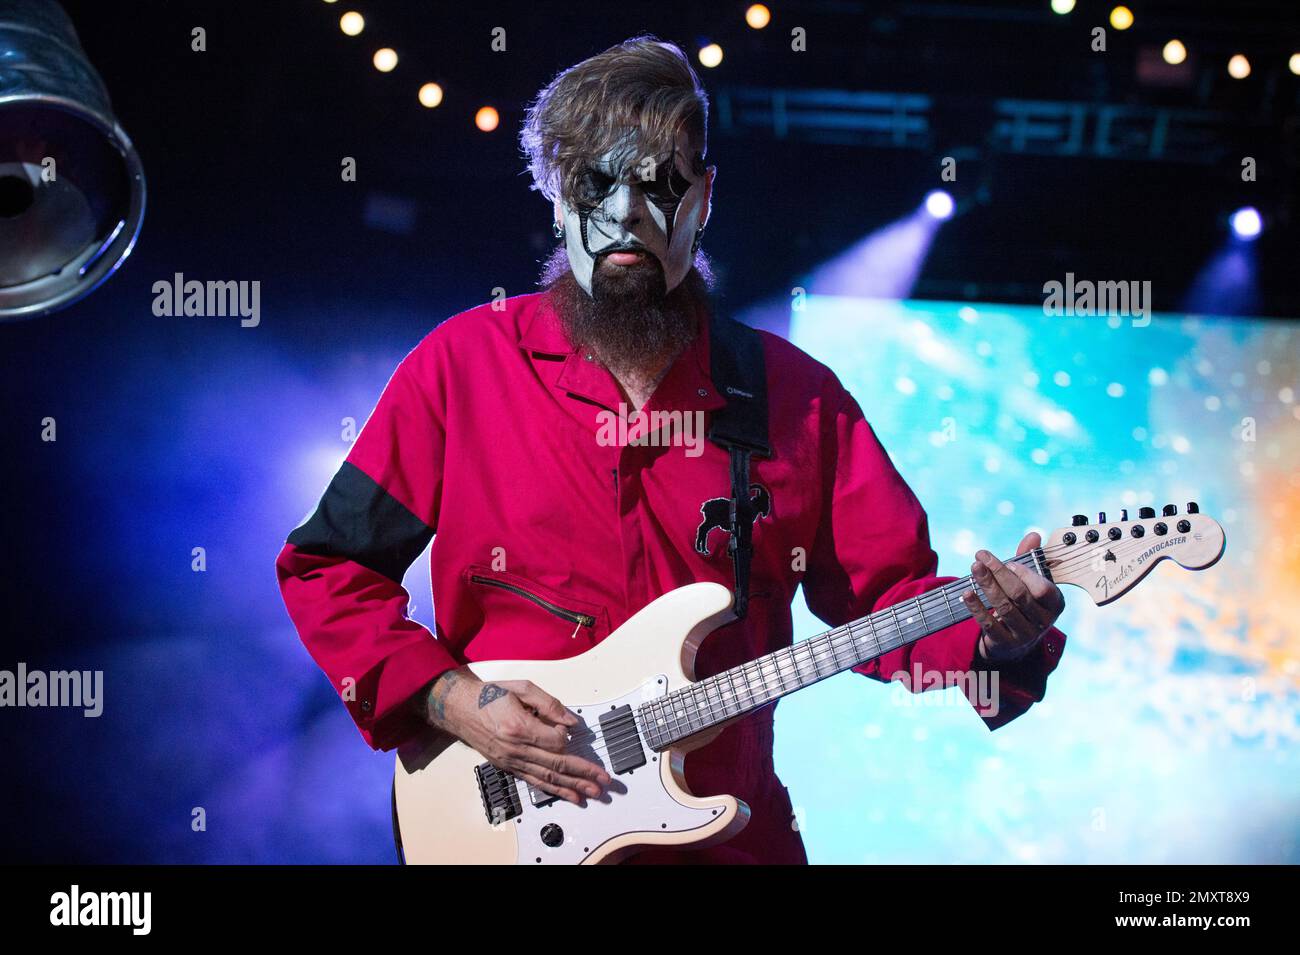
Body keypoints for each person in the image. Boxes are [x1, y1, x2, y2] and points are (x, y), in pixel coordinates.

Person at [276, 36, 1067, 864]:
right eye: (594, 182)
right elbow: (328, 568)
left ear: (705, 196)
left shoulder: (797, 395)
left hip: (729, 842)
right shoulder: (461, 366)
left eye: (660, 179)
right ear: (553, 196)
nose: (625, 212)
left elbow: (886, 598)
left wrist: (995, 640)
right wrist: (451, 698)